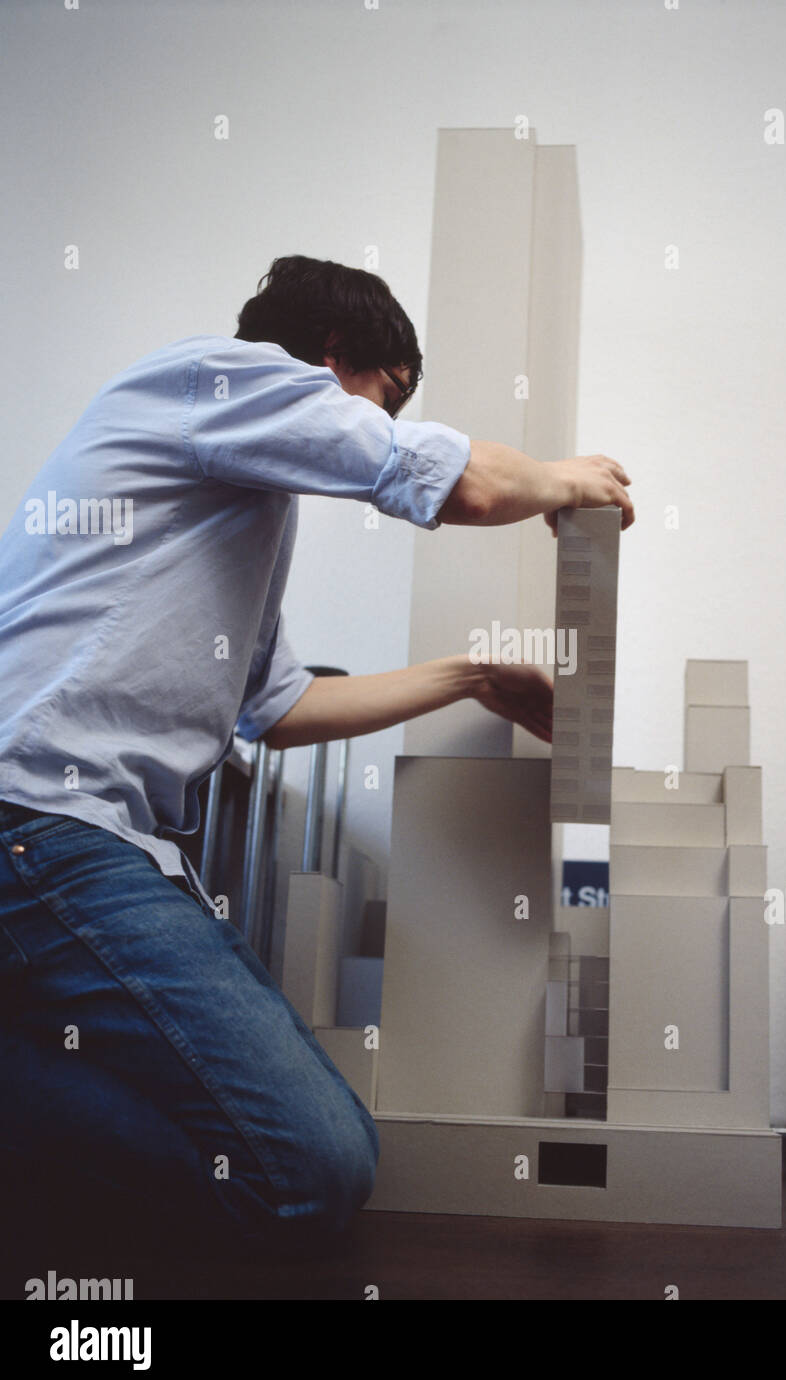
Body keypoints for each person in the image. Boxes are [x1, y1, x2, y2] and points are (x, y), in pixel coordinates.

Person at [0, 254, 633, 1263]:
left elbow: (278, 707)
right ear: (333, 360)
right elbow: (435, 472)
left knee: (316, 1154)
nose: (371, 429)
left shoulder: (236, 505)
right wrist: (563, 479)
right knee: (304, 1174)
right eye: (378, 402)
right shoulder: (215, 373)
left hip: (76, 843)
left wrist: (469, 676)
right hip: (39, 824)